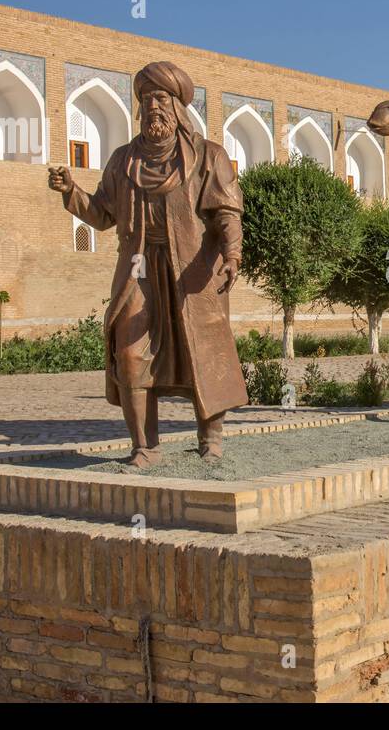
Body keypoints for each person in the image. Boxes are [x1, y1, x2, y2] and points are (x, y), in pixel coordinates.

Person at [47, 61, 247, 467]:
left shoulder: (208, 157)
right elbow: (103, 214)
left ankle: (211, 439)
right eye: (147, 99)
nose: (154, 106)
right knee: (130, 350)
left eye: (161, 98)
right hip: (139, 267)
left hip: (191, 270)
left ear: (176, 106)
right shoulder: (124, 161)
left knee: (201, 350)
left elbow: (227, 212)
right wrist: (71, 192)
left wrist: (232, 255)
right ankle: (144, 447)